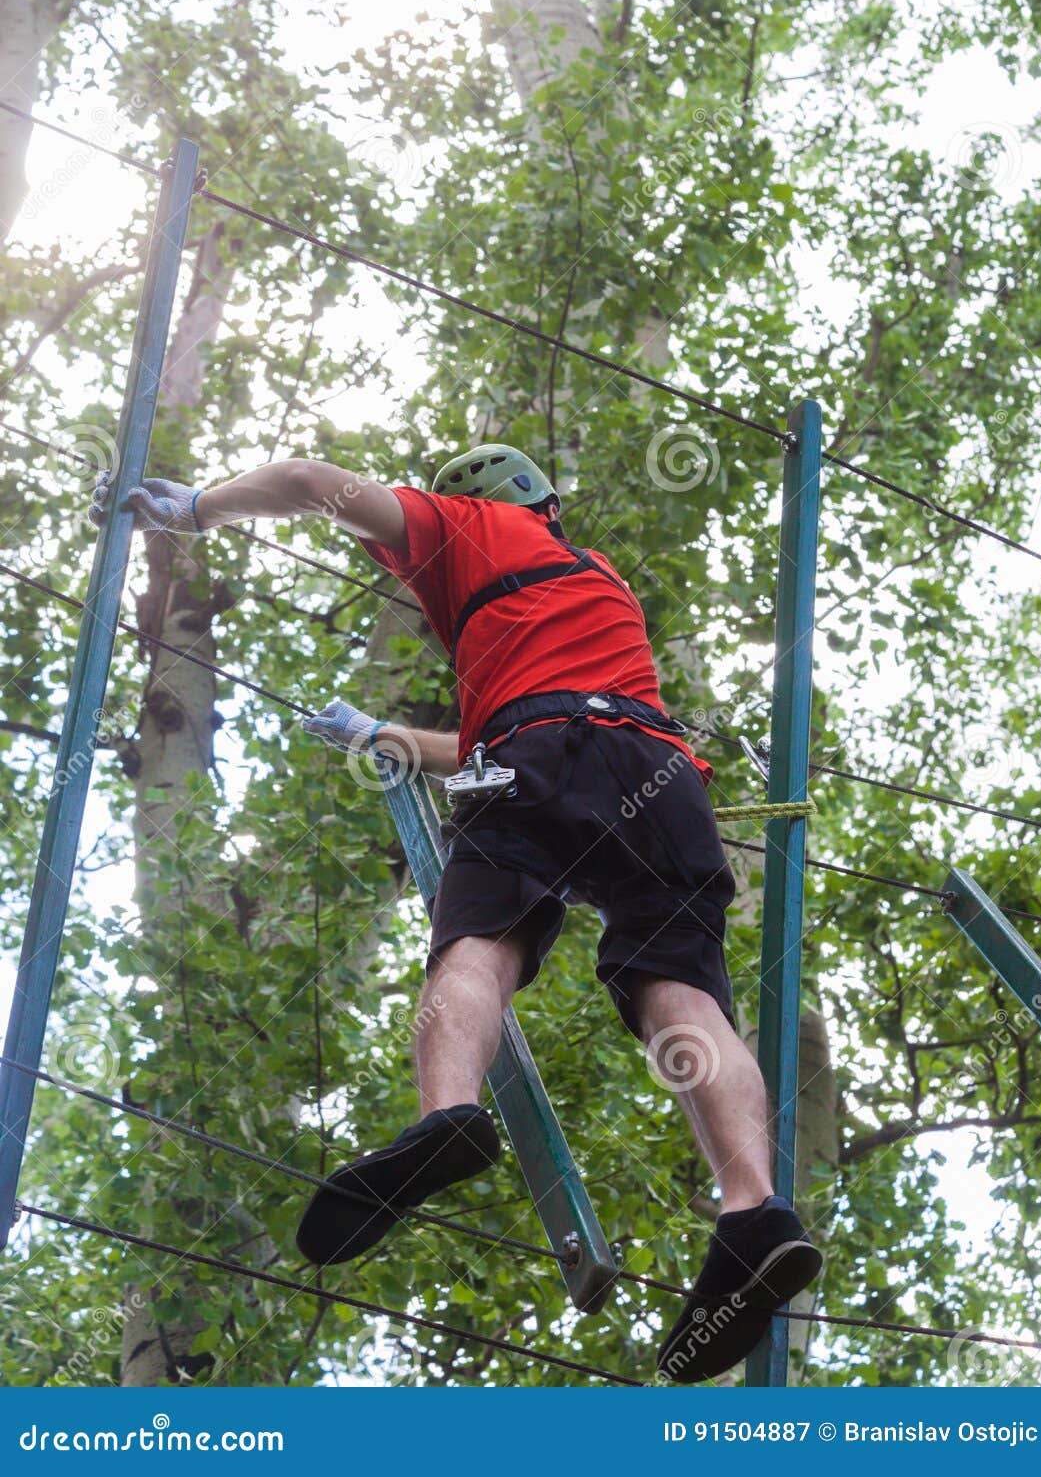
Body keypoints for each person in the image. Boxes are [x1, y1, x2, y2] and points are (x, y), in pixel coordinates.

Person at [90, 443, 821, 1381]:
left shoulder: (470, 528)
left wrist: (199, 508)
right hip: (655, 772)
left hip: (534, 754)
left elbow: (317, 484)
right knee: (679, 992)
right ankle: (753, 1210)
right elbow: (519, 716)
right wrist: (380, 736)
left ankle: (448, 1117)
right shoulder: (592, 583)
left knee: (478, 946)